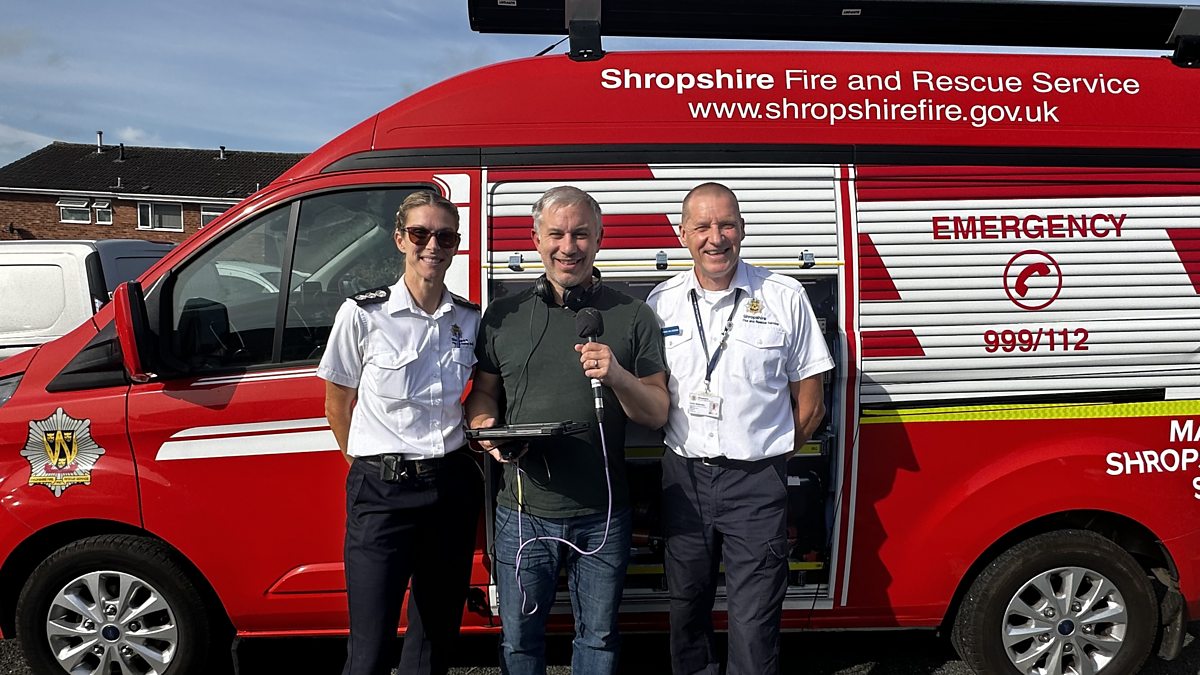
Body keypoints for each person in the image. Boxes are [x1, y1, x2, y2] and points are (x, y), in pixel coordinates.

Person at [465, 185, 669, 675]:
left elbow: (657, 412)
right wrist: (483, 424)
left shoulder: (633, 315)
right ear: (535, 240)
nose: (568, 246)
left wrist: (616, 374)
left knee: (597, 641)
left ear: (599, 240)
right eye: (555, 234)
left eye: (581, 234)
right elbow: (484, 393)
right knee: (519, 642)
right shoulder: (503, 315)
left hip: (604, 512)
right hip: (521, 512)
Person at [646, 182, 834, 675]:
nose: (716, 238)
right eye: (703, 226)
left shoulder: (783, 295)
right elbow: (650, 392)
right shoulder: (660, 302)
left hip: (756, 483)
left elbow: (811, 402)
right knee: (686, 610)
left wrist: (770, 459)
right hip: (683, 478)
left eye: (727, 224)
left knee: (754, 622)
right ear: (682, 233)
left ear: (743, 230)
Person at [318, 191, 482, 675]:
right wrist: (370, 465)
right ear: (399, 240)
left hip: (450, 488)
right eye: (420, 234)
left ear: (456, 245)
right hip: (382, 493)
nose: (432, 245)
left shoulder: (469, 319)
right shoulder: (363, 314)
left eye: (445, 236)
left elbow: (479, 393)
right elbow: (336, 404)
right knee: (369, 649)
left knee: (434, 645)